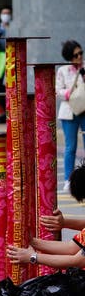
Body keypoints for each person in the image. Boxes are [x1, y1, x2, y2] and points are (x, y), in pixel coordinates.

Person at [55, 39, 85, 192]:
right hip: (69, 112)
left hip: (84, 110)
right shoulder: (63, 71)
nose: (79, 57)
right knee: (70, 146)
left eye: (81, 53)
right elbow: (59, 91)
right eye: (76, 55)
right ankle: (68, 179)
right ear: (69, 57)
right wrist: (71, 88)